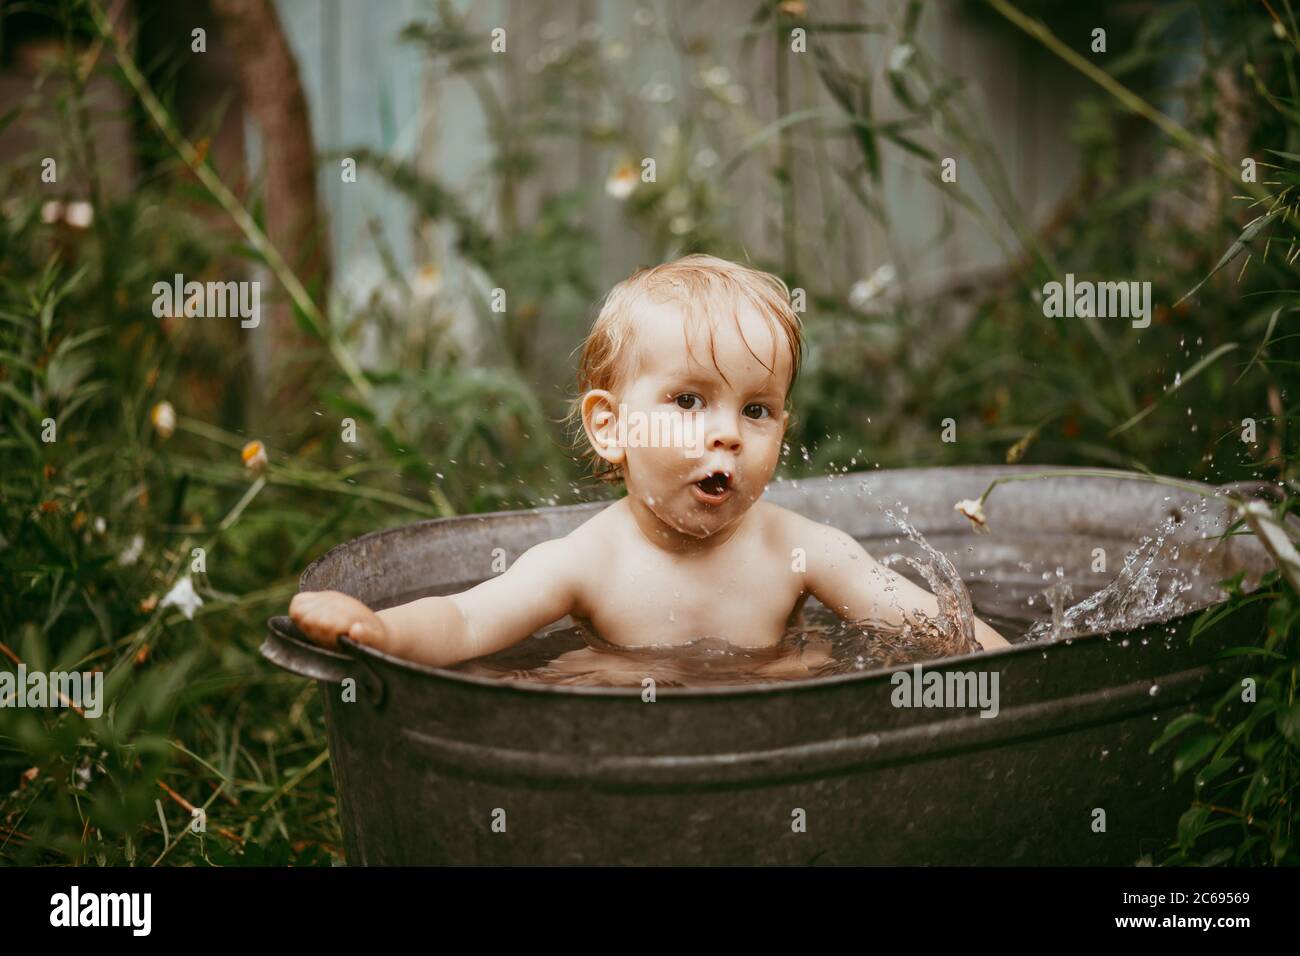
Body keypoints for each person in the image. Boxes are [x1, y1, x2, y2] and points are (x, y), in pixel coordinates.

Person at [290, 254, 1008, 681]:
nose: (727, 433)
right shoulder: (586, 563)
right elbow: (465, 620)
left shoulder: (801, 550)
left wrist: (1031, 672)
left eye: (757, 410)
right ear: (612, 426)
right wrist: (376, 632)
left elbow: (935, 627)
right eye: (689, 400)